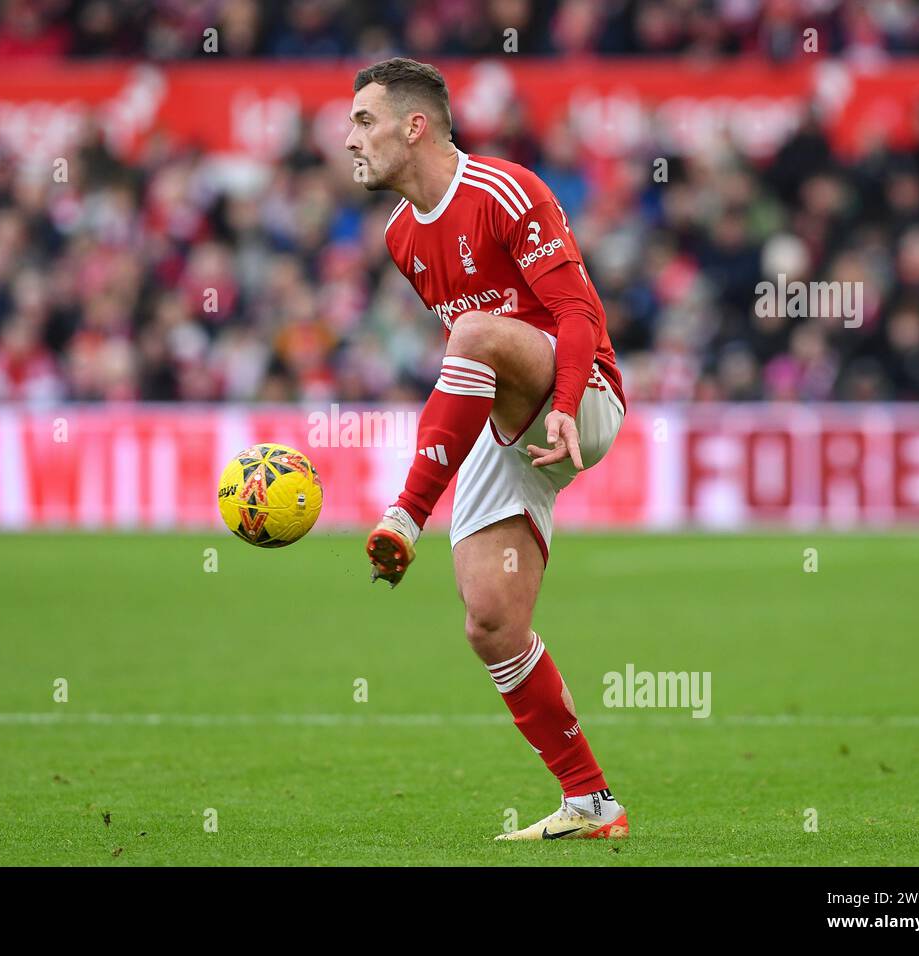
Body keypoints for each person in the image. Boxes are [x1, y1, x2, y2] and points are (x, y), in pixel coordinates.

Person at [346, 58, 628, 840]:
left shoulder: (505, 190)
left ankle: (405, 516)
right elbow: (471, 359)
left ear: (416, 125)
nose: (348, 140)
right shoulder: (403, 237)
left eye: (363, 121)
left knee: (471, 332)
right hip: (508, 419)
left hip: (582, 395)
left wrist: (566, 402)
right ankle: (591, 803)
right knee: (491, 624)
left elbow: (576, 311)